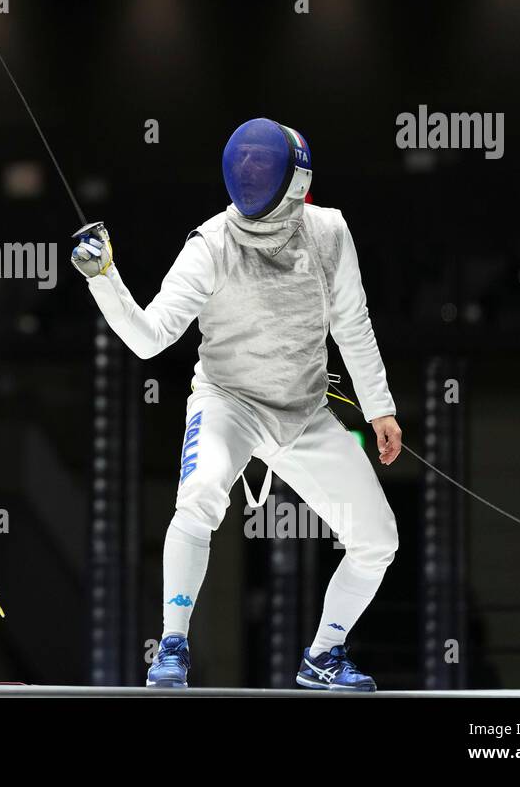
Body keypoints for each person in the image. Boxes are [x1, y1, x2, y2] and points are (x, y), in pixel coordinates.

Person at [70, 118, 401, 691]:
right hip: (229, 403)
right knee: (198, 496)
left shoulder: (329, 233)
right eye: (245, 166)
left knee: (379, 541)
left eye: (261, 166)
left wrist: (379, 408)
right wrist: (104, 278)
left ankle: (323, 656)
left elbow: (352, 324)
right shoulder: (211, 246)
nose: (251, 175)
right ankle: (172, 644)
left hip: (304, 413)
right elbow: (150, 338)